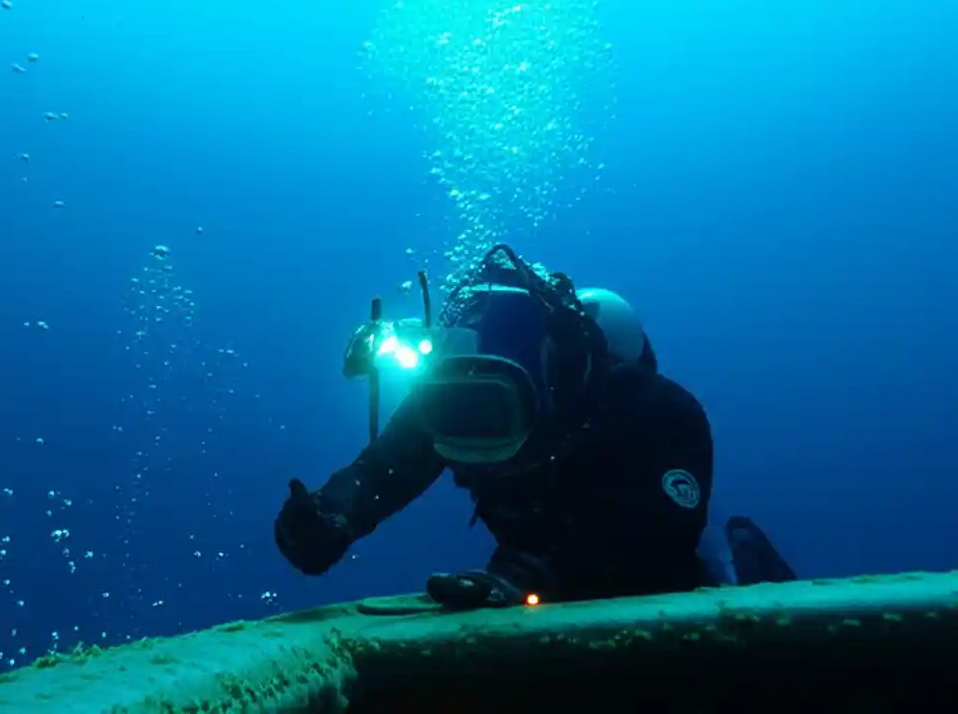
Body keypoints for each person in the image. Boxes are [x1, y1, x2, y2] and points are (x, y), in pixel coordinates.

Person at [274, 243, 793, 609]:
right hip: (529, 576)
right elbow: (383, 470)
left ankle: (744, 553)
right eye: (453, 413)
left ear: (543, 386)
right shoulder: (448, 399)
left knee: (725, 572)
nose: (475, 430)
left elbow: (661, 540)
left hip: (654, 580)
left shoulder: (653, 410)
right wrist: (328, 517)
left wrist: (538, 574)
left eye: (497, 411)